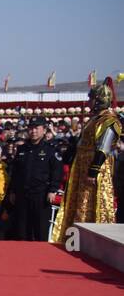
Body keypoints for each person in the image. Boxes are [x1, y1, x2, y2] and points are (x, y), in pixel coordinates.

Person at [51, 79, 121, 245]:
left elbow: (103, 148)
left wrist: (93, 170)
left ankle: (94, 242)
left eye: (91, 99)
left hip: (94, 169)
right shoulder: (94, 119)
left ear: (99, 99)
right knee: (80, 201)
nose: (89, 102)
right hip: (82, 165)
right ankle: (76, 239)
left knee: (92, 200)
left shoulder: (109, 120)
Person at [8, 118, 62, 241]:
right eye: (31, 128)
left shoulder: (51, 149)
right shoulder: (22, 149)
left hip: (41, 195)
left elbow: (56, 172)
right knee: (22, 231)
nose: (33, 131)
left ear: (44, 130)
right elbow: (15, 172)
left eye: (37, 128)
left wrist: (53, 190)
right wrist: (12, 191)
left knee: (40, 231)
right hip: (23, 194)